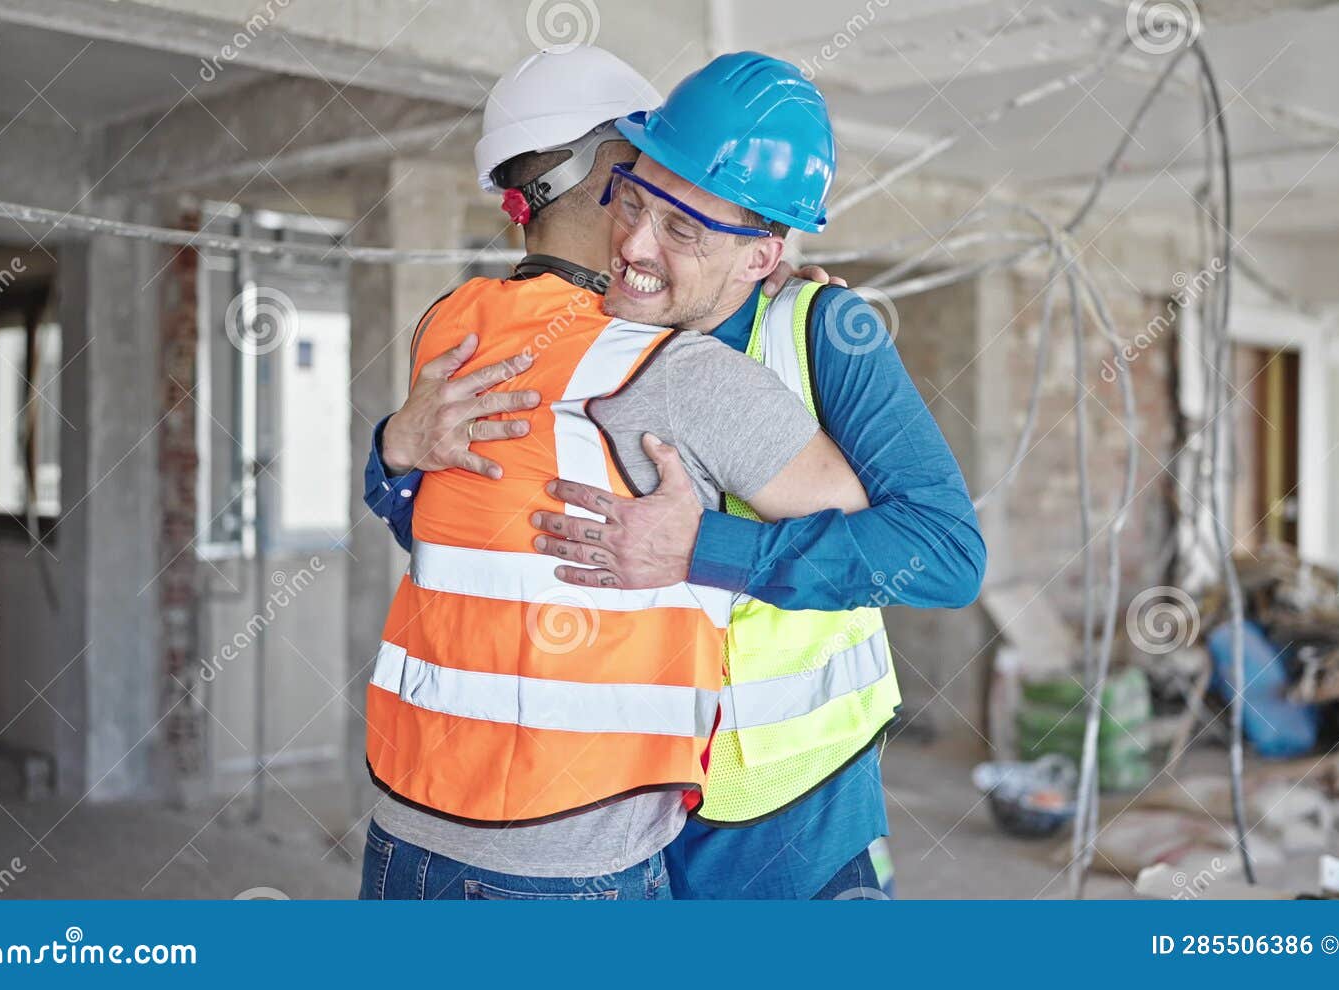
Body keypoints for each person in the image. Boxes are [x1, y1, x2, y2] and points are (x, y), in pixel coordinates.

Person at [369, 50, 987, 899]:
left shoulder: (820, 333)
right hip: (640, 818)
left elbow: (946, 553)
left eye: (682, 229)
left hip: (791, 816)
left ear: (761, 258)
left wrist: (707, 547)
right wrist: (395, 453)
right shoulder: (587, 343)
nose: (632, 244)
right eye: (634, 201)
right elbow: (490, 541)